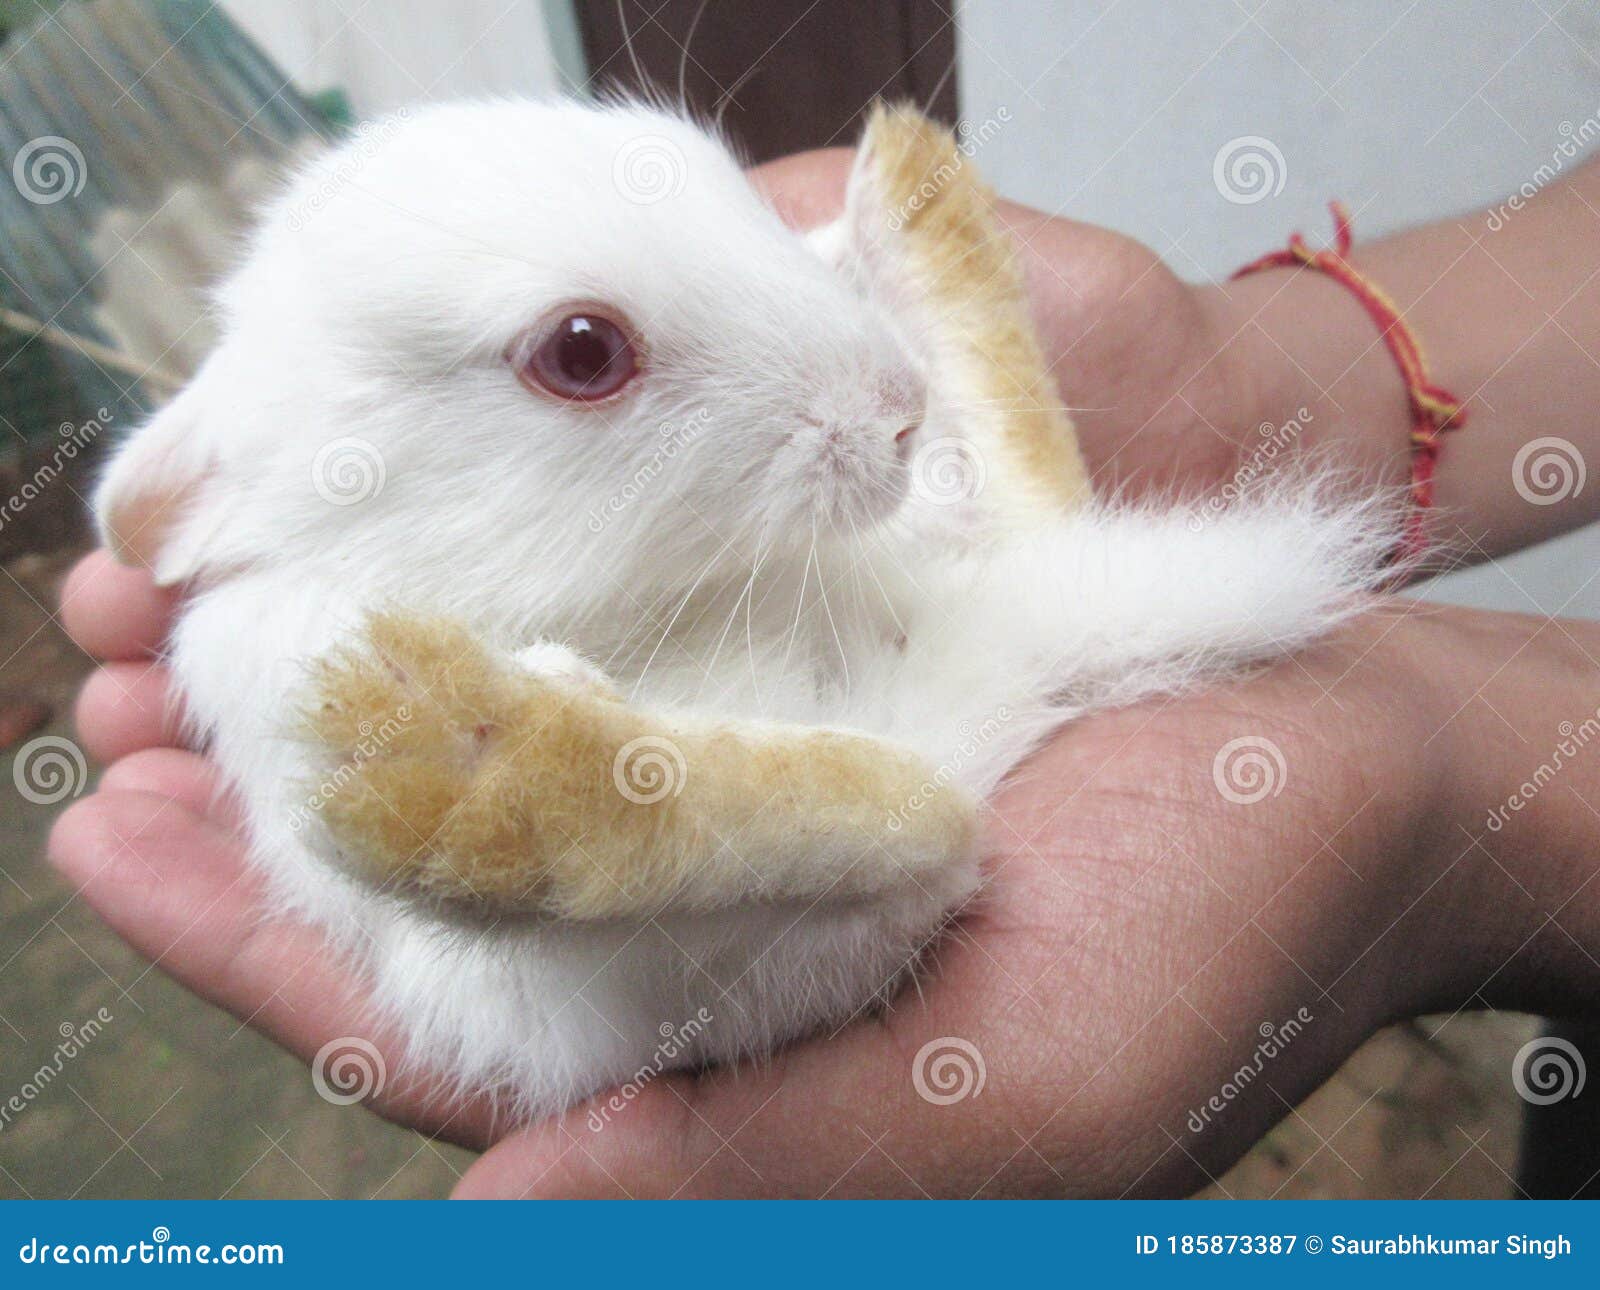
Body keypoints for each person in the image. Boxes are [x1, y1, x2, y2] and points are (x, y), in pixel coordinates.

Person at [48, 148, 1600, 1198]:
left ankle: (733, 801)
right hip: (724, 819)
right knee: (548, 915)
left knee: (965, 572)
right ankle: (683, 815)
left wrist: (1444, 779)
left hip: (898, 674)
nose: (888, 391)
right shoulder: (284, 600)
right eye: (584, 352)